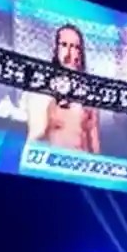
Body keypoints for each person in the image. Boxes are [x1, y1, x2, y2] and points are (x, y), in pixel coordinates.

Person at [26, 24, 102, 155]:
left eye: (75, 47)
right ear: (56, 49)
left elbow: (94, 143)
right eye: (64, 45)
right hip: (51, 163)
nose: (69, 53)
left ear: (80, 52)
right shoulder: (43, 89)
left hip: (80, 164)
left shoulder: (88, 95)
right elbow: (35, 136)